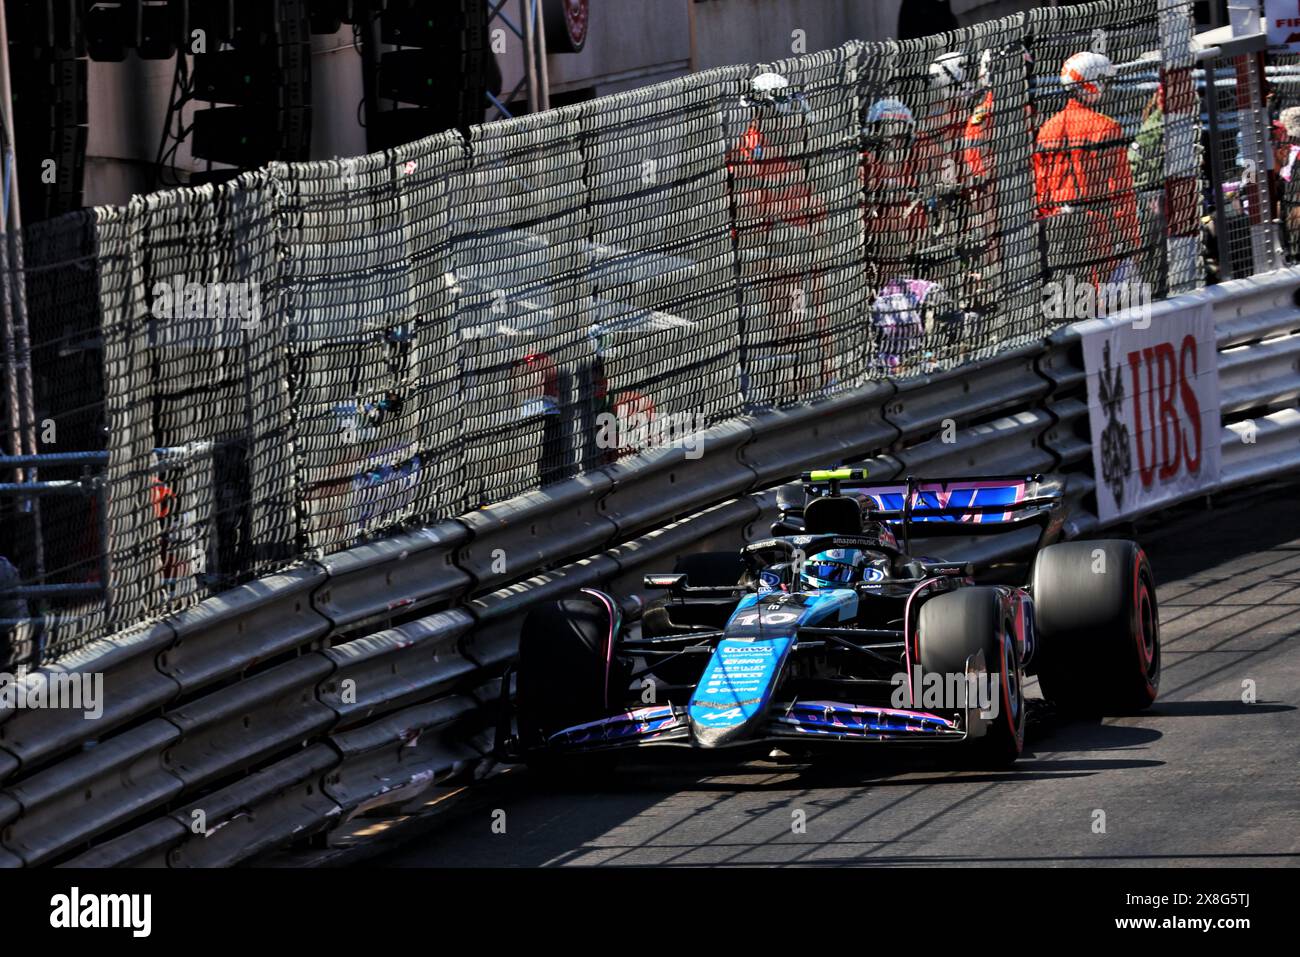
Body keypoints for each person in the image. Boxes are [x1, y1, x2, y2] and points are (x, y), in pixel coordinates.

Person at [1033, 51, 1140, 292]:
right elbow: (1121, 191)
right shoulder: (1105, 127)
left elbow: (1040, 189)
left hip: (1057, 229)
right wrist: (1132, 243)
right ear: (1093, 82)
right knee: (1106, 306)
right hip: (1098, 229)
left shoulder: (1047, 130)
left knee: (1066, 303)